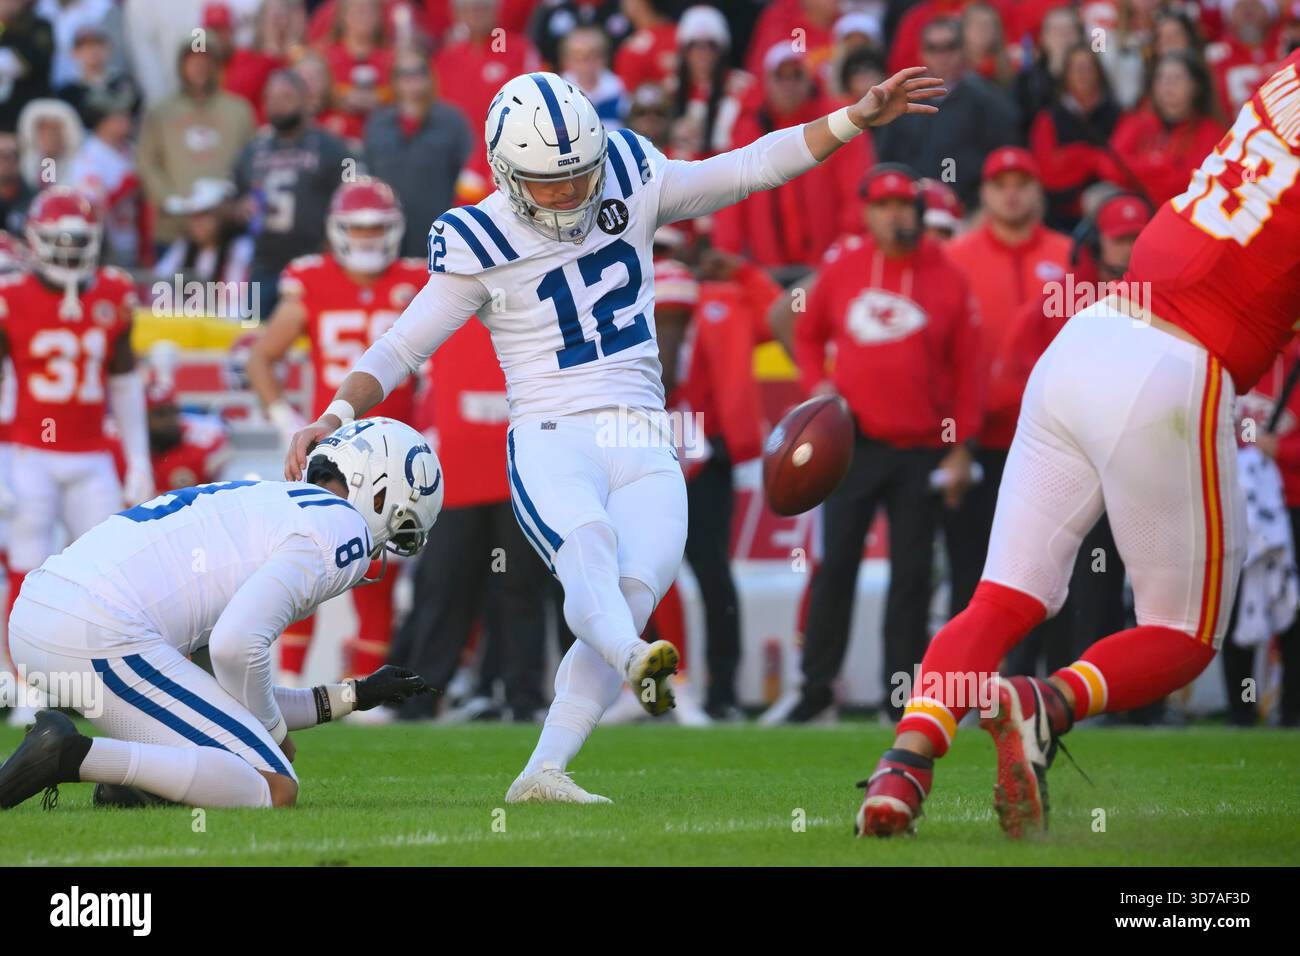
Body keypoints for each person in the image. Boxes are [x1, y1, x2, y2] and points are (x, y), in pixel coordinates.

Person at [283, 67, 946, 801]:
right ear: (506, 173)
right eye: (550, 183)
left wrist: (851, 118)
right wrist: (334, 417)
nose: (570, 194)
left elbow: (749, 169)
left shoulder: (628, 173)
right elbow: (399, 349)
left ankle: (545, 768)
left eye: (580, 176)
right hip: (551, 434)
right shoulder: (479, 238)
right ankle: (634, 659)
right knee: (588, 553)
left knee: (628, 593)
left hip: (643, 433)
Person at [858, 49, 1300, 840]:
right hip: (1176, 361)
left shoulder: (1282, 78)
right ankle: (1045, 702)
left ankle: (904, 766)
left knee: (1002, 597)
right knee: (1185, 635)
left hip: (1089, 335)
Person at [0, 418, 440, 811]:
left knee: (241, 753)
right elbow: (236, 647)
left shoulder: (268, 500)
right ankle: (72, 755)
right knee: (273, 788)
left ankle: (139, 784)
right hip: (99, 628)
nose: (389, 540)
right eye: (400, 523)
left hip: (44, 612)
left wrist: (355, 695)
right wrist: (271, 733)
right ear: (379, 491)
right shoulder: (341, 526)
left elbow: (230, 687)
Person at [769, 164, 984, 723]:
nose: (896, 216)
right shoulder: (843, 267)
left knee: (911, 576)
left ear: (918, 211)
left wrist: (960, 446)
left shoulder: (950, 275)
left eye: (905, 206)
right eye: (885, 206)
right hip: (852, 445)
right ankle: (816, 690)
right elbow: (808, 330)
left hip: (919, 448)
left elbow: (970, 370)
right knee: (836, 564)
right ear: (867, 212)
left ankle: (901, 697)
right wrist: (815, 384)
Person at [248, 177, 427, 680]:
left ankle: (367, 686)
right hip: (333, 449)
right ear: (337, 230)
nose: (368, 240)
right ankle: (285, 681)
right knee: (308, 559)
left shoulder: (415, 279)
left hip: (396, 449)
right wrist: (288, 421)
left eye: (377, 229)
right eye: (358, 229)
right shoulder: (311, 278)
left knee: (378, 567)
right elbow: (263, 356)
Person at [0, 187, 154, 725]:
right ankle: (26, 687)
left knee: (111, 576)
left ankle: (104, 680)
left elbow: (125, 382)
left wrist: (138, 460)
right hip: (28, 454)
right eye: (58, 241)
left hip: (91, 455)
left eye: (77, 241)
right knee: (26, 571)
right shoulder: (12, 295)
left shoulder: (113, 290)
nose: (68, 251)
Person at [942, 146, 1072, 615]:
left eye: (1022, 185)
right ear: (985, 193)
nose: (1012, 195)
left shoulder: (1068, 255)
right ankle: (962, 684)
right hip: (980, 439)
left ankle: (1035, 685)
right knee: (971, 571)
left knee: (1047, 574)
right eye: (1001, 186)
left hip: (1054, 442)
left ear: (1038, 192)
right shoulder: (956, 258)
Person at [233, 69, 353, 320]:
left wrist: (332, 252)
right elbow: (231, 201)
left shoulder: (331, 148)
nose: (277, 104)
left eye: (286, 96)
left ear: (306, 101)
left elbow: (351, 202)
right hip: (264, 266)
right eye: (271, 98)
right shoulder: (252, 150)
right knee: (256, 339)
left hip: (314, 264)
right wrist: (238, 208)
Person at [873, 17, 1020, 209]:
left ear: (963, 50)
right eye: (933, 48)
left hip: (972, 211)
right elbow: (885, 161)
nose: (942, 56)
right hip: (912, 209)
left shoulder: (989, 101)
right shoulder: (902, 101)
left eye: (950, 47)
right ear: (922, 53)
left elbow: (1005, 161)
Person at [137, 43, 256, 248]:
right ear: (181, 66)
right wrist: (170, 200)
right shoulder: (161, 112)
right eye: (193, 61)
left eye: (206, 61)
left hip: (225, 231)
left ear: (217, 65)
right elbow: (146, 162)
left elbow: (253, 162)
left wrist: (233, 204)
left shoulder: (239, 110)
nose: (200, 67)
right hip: (174, 230)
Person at [363, 52, 471, 258]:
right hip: (390, 240)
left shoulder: (452, 121)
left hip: (443, 237)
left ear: (430, 77)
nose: (411, 79)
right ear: (393, 80)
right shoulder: (377, 124)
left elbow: (469, 178)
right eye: (403, 73)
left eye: (418, 72)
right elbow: (368, 178)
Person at [1105, 51, 1226, 207]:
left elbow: (1188, 183)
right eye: (1161, 78)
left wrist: (1139, 172)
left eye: (1176, 78)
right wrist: (1159, 164)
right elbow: (1109, 165)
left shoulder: (1210, 131)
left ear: (1196, 86)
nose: (1167, 85)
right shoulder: (1138, 121)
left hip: (1185, 211)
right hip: (1138, 208)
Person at [1028, 43, 1124, 230]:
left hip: (1107, 208)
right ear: (1065, 75)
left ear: (1099, 73)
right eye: (1075, 68)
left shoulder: (1117, 114)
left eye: (1087, 67)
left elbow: (1116, 168)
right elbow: (1047, 173)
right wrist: (1092, 158)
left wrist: (1068, 158)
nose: (1082, 74)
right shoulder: (1049, 117)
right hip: (1058, 212)